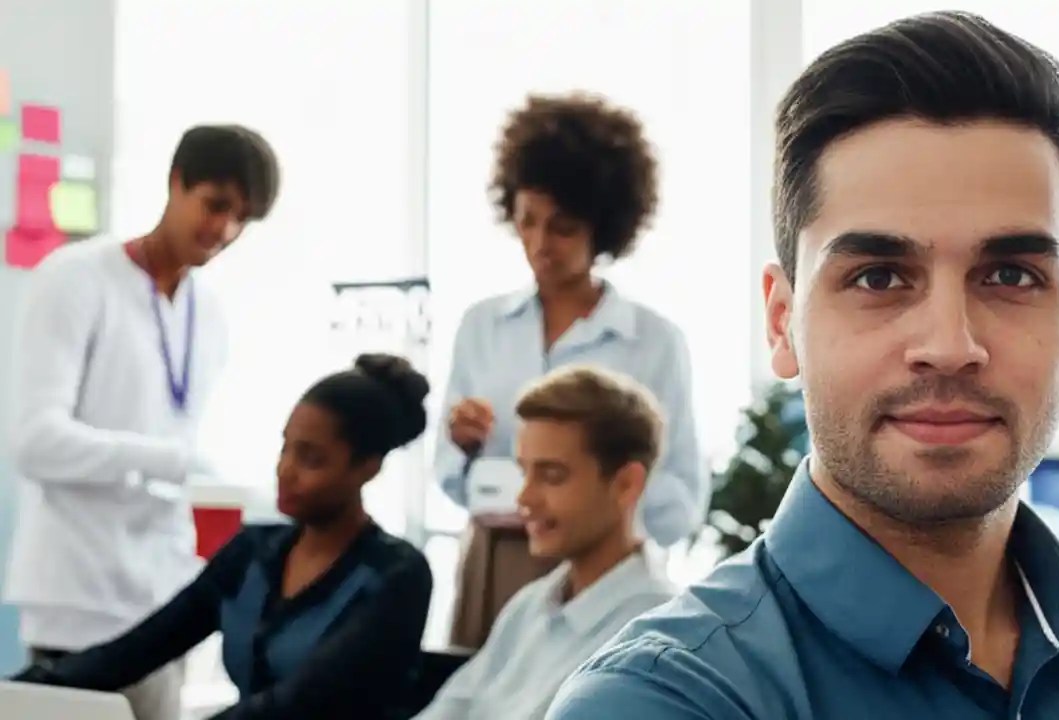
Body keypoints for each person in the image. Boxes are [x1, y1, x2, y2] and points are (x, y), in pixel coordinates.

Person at [548, 11, 1059, 719]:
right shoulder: (658, 700)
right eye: (879, 278)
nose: (951, 344)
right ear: (782, 321)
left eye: (1011, 276)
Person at [3, 124, 278, 720]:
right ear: (176, 182)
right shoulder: (75, 277)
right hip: (76, 598)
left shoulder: (209, 314)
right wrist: (166, 460)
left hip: (163, 602)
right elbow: (34, 441)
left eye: (243, 219)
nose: (225, 231)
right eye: (215, 206)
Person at [10, 354, 435, 720]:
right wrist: (21, 690)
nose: (285, 469)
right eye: (284, 448)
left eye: (311, 458)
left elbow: (303, 703)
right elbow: (135, 651)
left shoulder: (397, 574)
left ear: (368, 468)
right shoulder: (254, 553)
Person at [437, 92, 704, 649]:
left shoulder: (652, 342)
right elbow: (450, 478)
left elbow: (681, 495)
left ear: (601, 229)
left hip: (607, 579)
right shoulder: (481, 326)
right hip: (498, 561)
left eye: (561, 228)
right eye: (526, 221)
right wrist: (464, 449)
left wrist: (603, 504)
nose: (538, 244)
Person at [418, 365, 674, 719]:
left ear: (626, 484)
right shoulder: (530, 606)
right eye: (524, 472)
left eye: (552, 476)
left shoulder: (653, 634)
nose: (524, 498)